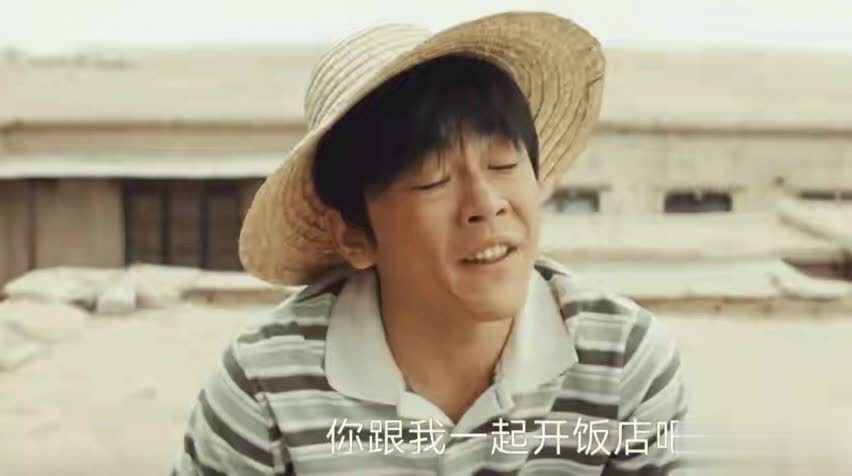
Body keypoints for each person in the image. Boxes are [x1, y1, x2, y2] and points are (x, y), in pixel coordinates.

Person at [172, 11, 688, 475]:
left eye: (503, 163)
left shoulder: (621, 362)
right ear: (354, 234)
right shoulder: (265, 389)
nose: (486, 203)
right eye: (432, 181)